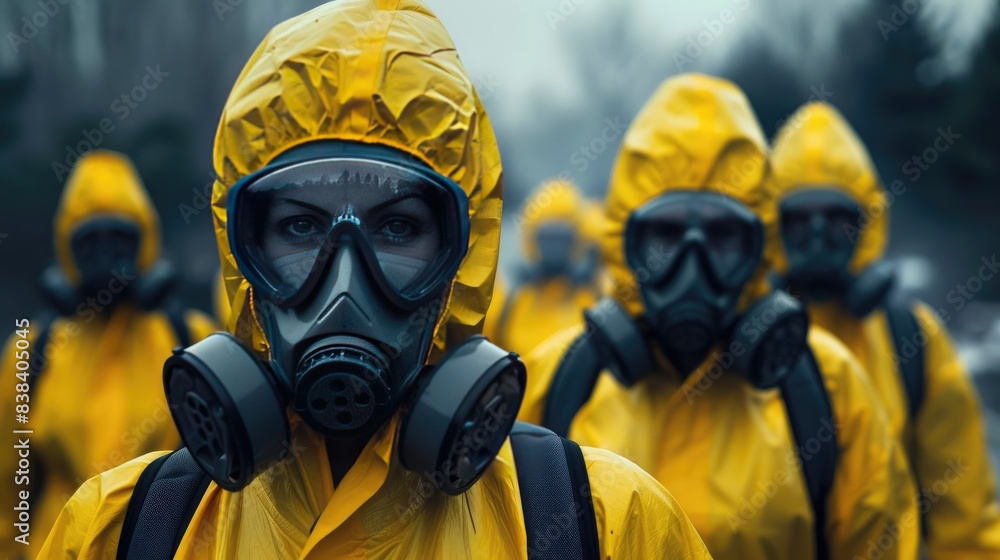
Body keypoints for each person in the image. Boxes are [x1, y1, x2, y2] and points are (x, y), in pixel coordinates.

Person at [38, 2, 714, 558]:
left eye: (395, 231)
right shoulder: (122, 532)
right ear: (241, 252)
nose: (344, 285)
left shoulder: (606, 526)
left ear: (463, 257)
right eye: (302, 230)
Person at [520, 73, 920, 559]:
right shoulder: (555, 382)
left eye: (722, 239)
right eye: (666, 237)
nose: (694, 269)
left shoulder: (828, 388)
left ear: (759, 248)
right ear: (626, 244)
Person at [770, 101, 1000, 557]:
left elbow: (966, 518)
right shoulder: (741, 342)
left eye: (837, 222)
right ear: (768, 225)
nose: (818, 241)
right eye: (799, 222)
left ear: (868, 225)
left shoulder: (910, 340)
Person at [0, 150, 217, 559]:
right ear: (67, 251)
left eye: (120, 239)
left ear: (146, 242)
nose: (105, 256)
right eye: (89, 242)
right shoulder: (31, 351)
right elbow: (10, 494)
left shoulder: (192, 339)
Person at [484, 179, 601, 357]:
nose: (554, 248)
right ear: (531, 240)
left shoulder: (596, 296)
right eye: (546, 238)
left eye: (562, 238)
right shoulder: (512, 303)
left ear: (579, 239)